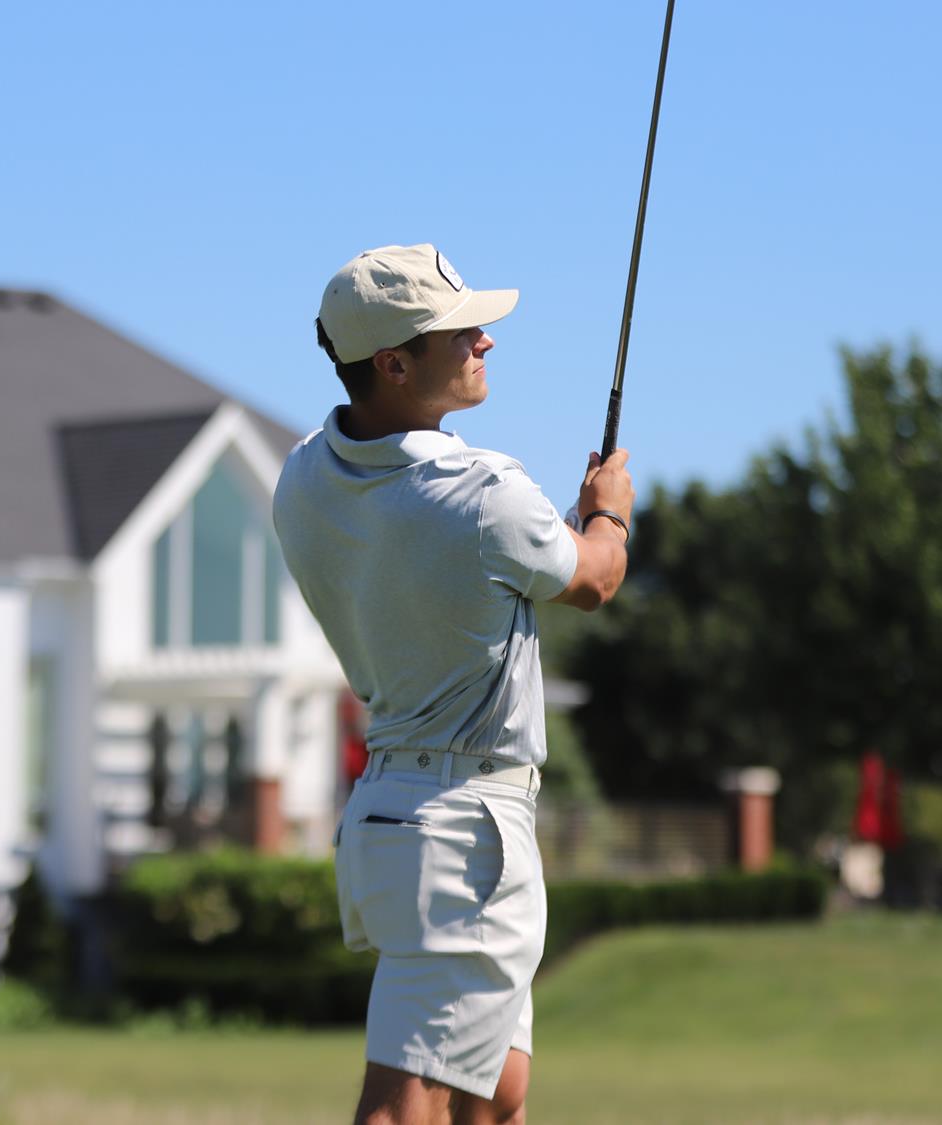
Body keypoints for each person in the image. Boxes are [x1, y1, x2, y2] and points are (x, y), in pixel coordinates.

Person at [273, 244, 633, 1125]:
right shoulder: (482, 491)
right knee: (407, 1106)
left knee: (496, 1092)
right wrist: (607, 505)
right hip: (465, 829)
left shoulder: (302, 479)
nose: (485, 340)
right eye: (458, 330)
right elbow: (593, 578)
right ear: (394, 364)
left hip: (392, 817)